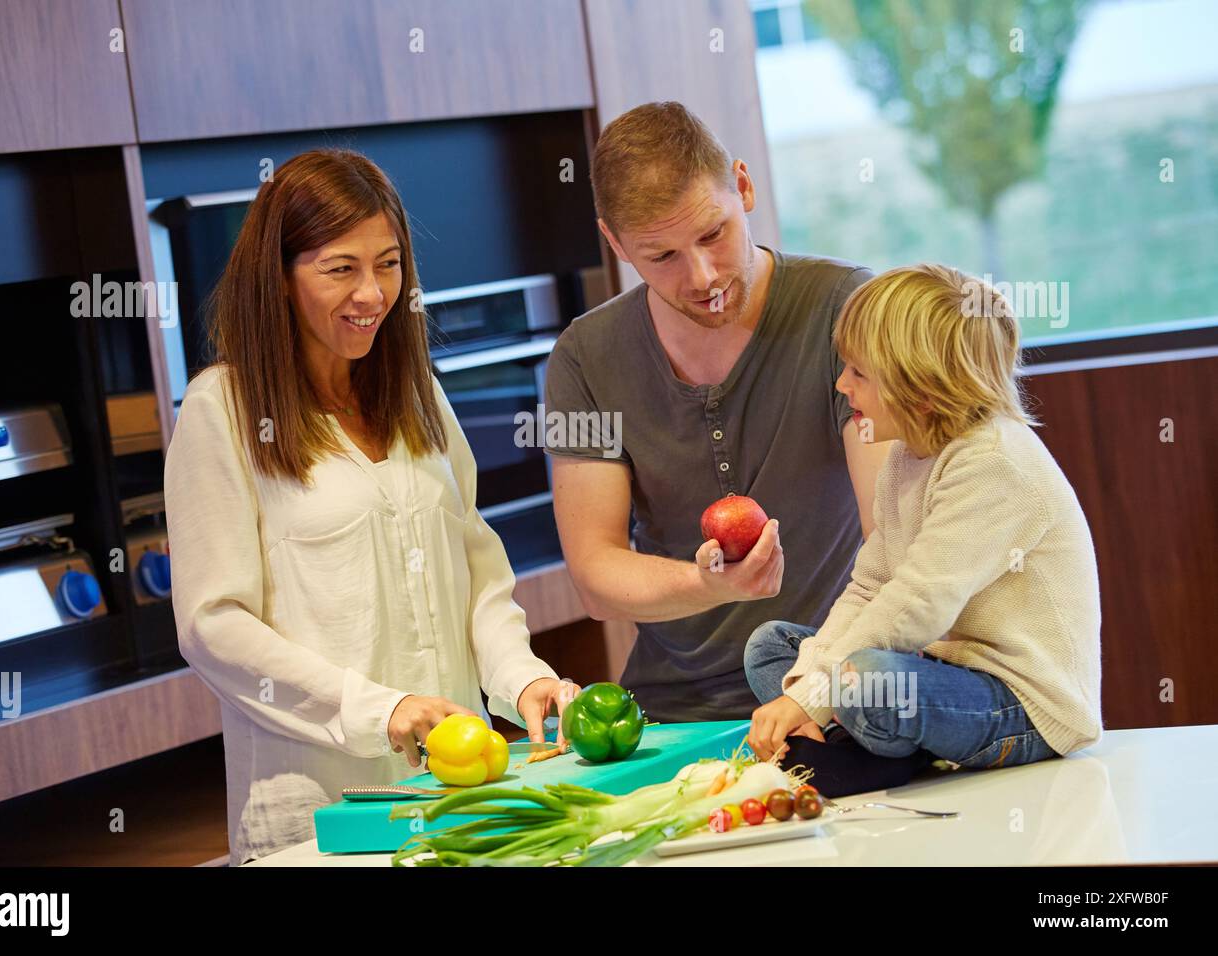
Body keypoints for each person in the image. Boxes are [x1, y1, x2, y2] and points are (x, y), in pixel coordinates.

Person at [165, 149, 575, 864]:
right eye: (340, 268)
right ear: (280, 279)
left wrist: (522, 678)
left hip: (456, 796)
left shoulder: (417, 397)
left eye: (387, 264)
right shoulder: (220, 414)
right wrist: (378, 710)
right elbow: (213, 626)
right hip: (318, 814)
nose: (371, 292)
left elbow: (476, 575)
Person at [545, 101, 887, 722]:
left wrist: (823, 685)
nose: (702, 276)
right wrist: (709, 586)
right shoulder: (581, 358)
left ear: (745, 186)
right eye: (662, 257)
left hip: (835, 691)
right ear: (615, 243)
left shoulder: (849, 307)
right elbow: (595, 577)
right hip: (671, 713)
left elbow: (894, 533)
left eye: (712, 234)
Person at [745, 264, 1102, 769]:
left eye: (859, 373)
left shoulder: (993, 462)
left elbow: (918, 603)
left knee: (863, 679)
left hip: (1021, 705)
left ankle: (859, 755)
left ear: (923, 393)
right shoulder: (908, 453)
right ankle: (862, 740)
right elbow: (870, 587)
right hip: (938, 668)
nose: (842, 384)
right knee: (771, 648)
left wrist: (812, 696)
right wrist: (810, 689)